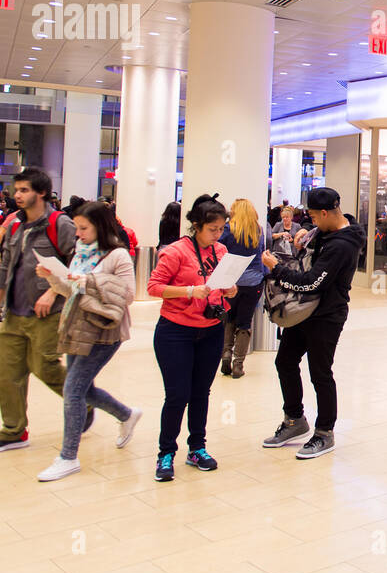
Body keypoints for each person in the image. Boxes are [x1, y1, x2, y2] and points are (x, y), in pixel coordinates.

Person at [35, 201, 142, 482]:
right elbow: (70, 288)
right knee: (82, 388)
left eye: (84, 228)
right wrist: (53, 279)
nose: (78, 234)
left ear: (100, 226)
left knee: (72, 390)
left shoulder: (118, 255)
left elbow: (127, 295)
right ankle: (126, 414)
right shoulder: (80, 252)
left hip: (104, 331)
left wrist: (86, 282)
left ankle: (68, 456)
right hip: (77, 325)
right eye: (77, 228)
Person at [0, 169, 80, 453]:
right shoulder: (14, 226)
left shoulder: (61, 224)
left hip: (48, 314)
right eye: (17, 190)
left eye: (24, 190)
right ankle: (13, 430)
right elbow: (6, 268)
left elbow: (78, 265)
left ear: (42, 192)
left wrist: (52, 291)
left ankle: (83, 403)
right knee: (6, 372)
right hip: (14, 313)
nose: (18, 195)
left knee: (45, 367)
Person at [260, 187, 367, 459]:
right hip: (304, 311)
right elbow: (314, 229)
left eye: (313, 218)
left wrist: (277, 270)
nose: (311, 223)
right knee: (284, 361)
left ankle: (324, 432)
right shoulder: (328, 229)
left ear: (325, 213)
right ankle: (295, 420)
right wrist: (305, 232)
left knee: (320, 372)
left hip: (326, 315)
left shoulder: (342, 245)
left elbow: (312, 283)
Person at [146, 194, 236, 482]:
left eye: (221, 229)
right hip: (176, 331)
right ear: (196, 225)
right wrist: (187, 291)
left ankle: (197, 447)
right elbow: (153, 286)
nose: (217, 234)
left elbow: (220, 285)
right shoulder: (175, 251)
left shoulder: (221, 251)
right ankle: (166, 452)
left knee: (201, 393)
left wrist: (230, 290)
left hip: (211, 329)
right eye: (212, 229)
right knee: (177, 395)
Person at [218, 197, 268, 378]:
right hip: (253, 281)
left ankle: (226, 354)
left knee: (229, 317)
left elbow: (218, 251)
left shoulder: (228, 230)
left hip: (230, 281)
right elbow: (261, 255)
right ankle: (238, 363)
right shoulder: (258, 230)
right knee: (245, 322)